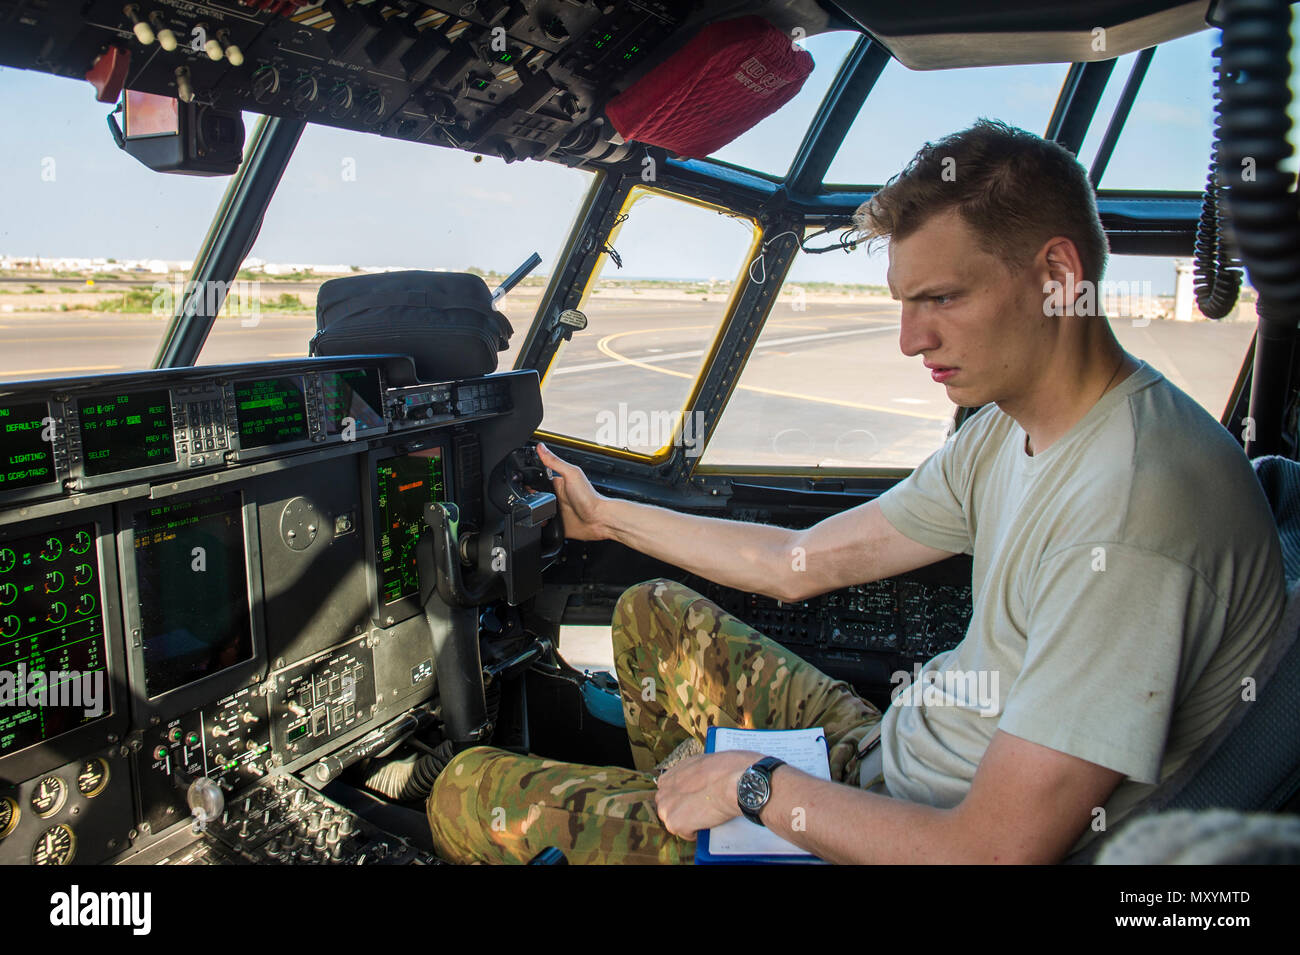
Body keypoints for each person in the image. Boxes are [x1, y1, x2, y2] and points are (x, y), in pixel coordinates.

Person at [425, 119, 1285, 864]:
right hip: (885, 757)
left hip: (922, 835)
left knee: (464, 791)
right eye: (905, 303)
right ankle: (686, 826)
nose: (912, 339)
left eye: (941, 297)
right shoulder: (1009, 426)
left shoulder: (1135, 512)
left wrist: (752, 787)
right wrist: (608, 516)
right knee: (652, 611)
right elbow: (798, 561)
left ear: (1058, 273)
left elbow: (993, 850)